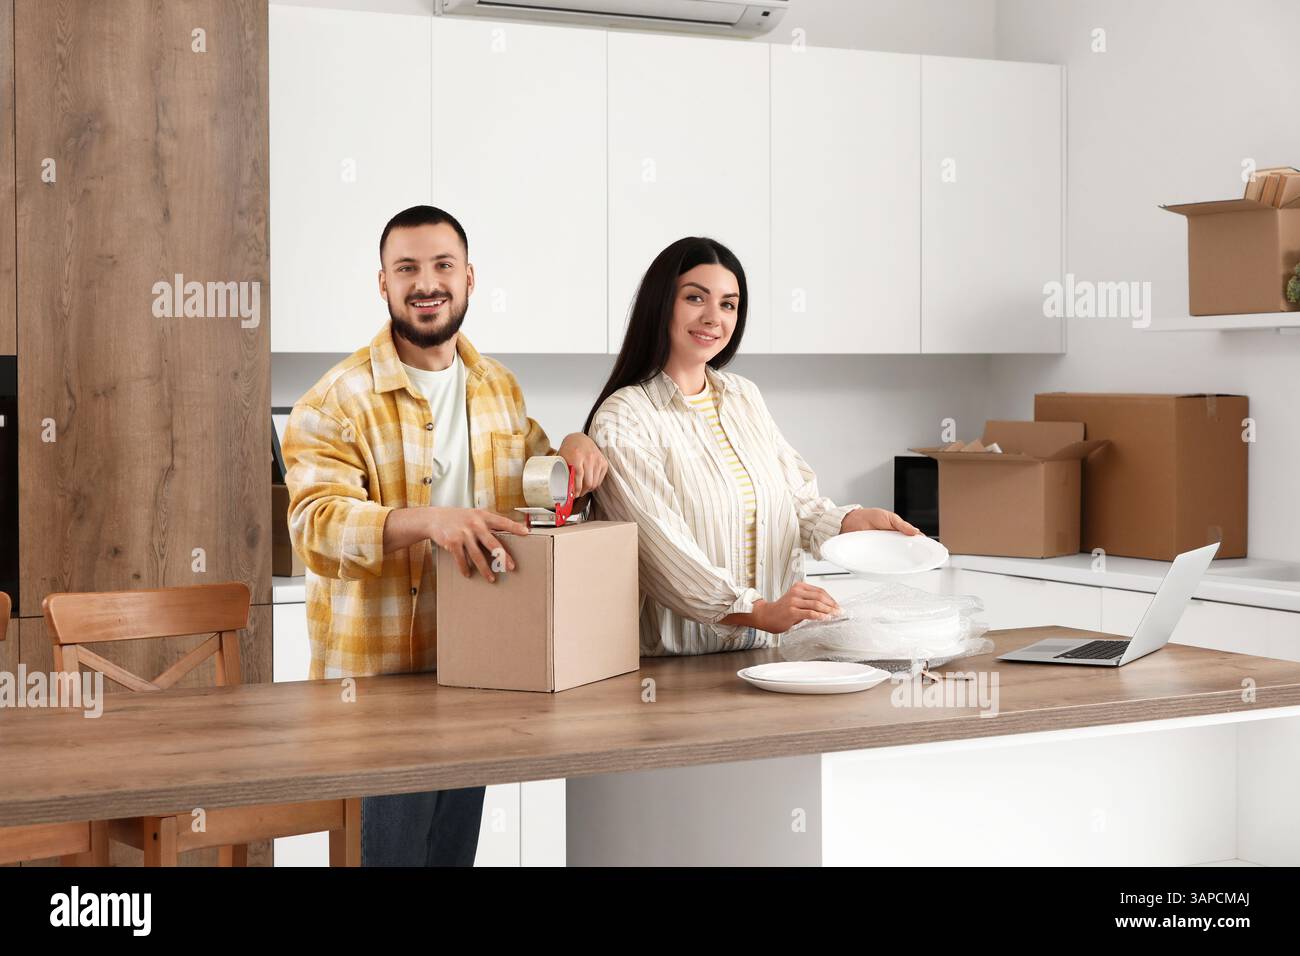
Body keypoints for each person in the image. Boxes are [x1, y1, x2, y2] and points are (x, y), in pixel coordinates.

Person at [282, 205, 607, 865]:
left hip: (476, 672)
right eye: (407, 268)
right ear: (383, 284)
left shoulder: (498, 388)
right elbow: (316, 527)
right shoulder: (335, 400)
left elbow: (540, 493)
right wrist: (431, 520)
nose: (425, 282)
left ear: (468, 278)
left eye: (441, 266)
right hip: (375, 690)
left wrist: (573, 446)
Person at [586, 236, 919, 656]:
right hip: (675, 672)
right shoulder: (625, 418)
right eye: (695, 298)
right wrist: (758, 610)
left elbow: (794, 504)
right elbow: (660, 554)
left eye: (728, 304)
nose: (713, 317)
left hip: (769, 655)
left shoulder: (743, 397)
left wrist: (849, 523)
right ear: (661, 304)